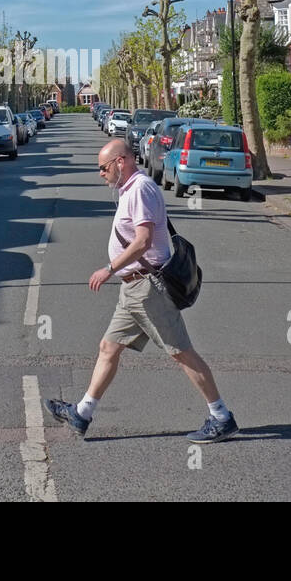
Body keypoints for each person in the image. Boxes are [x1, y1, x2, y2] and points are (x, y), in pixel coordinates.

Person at [46, 139, 237, 443]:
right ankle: (82, 414)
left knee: (181, 352)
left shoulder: (140, 190)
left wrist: (108, 269)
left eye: (103, 167)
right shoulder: (130, 190)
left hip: (148, 289)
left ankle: (221, 416)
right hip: (133, 289)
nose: (100, 173)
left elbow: (143, 241)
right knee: (109, 348)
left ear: (121, 161)